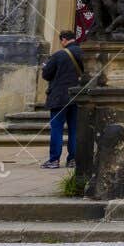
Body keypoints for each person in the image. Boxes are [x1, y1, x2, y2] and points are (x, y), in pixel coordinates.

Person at [40, 28, 85, 169]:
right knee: (74, 129)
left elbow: (47, 74)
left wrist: (46, 68)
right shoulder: (84, 53)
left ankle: (54, 160)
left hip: (59, 97)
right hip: (77, 96)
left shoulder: (59, 55)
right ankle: (73, 159)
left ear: (63, 40)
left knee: (57, 129)